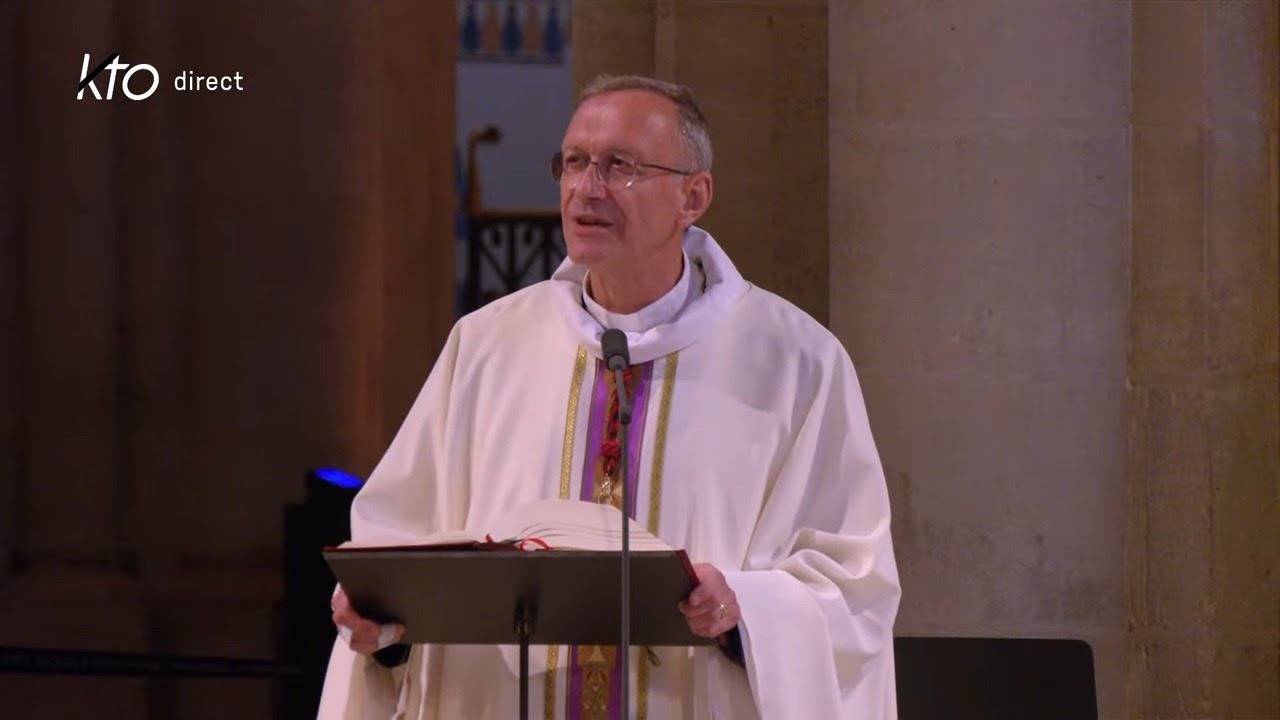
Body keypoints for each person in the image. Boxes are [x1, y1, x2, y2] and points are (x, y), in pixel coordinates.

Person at [318, 74, 900, 719]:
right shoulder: (486, 347)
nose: (586, 189)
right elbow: (399, 544)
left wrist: (742, 605)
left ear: (694, 196)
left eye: (619, 166)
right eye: (573, 163)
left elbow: (855, 588)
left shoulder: (796, 363)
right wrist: (381, 627)